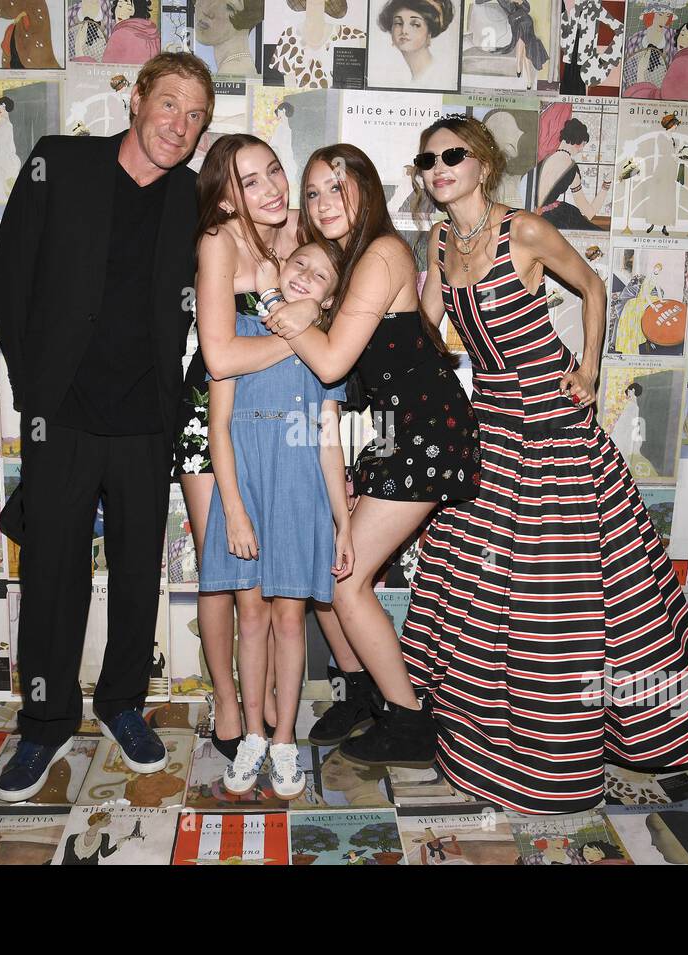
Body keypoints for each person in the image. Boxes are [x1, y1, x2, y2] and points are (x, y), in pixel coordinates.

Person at [396, 115, 688, 813]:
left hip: (550, 425)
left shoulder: (525, 230)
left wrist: (588, 368)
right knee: (484, 587)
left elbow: (595, 288)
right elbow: (426, 319)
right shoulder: (440, 239)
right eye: (428, 160)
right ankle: (482, 739)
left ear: (482, 164)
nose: (439, 168)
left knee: (561, 591)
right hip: (488, 421)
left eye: (452, 154)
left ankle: (569, 744)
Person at [0, 52, 213, 802]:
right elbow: (8, 275)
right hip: (64, 417)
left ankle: (122, 702)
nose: (179, 124)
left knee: (137, 572)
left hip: (148, 420)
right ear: (138, 98)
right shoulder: (60, 164)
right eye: (170, 103)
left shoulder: (194, 198)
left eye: (195, 117)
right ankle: (45, 719)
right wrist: (35, 393)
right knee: (53, 572)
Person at [258, 143, 479, 767]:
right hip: (394, 436)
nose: (324, 203)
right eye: (315, 193)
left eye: (338, 187)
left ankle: (410, 723)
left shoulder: (382, 254)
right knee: (338, 567)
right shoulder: (354, 262)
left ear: (369, 191)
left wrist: (287, 312)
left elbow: (329, 361)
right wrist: (307, 305)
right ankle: (365, 695)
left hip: (425, 436)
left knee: (346, 582)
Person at [200, 237, 349, 800]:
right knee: (252, 618)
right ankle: (254, 734)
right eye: (300, 263)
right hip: (248, 492)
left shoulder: (325, 348)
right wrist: (234, 511)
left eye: (321, 277)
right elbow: (220, 426)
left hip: (299, 493)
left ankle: (285, 737)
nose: (306, 275)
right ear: (279, 266)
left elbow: (330, 440)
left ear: (331, 299)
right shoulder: (234, 331)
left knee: (290, 621)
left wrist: (343, 521)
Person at [181, 134, 304, 760]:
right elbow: (220, 354)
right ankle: (227, 702)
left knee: (279, 577)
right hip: (213, 419)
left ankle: (277, 711)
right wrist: (299, 337)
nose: (271, 187)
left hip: (282, 419)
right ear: (226, 197)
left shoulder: (297, 234)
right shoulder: (218, 241)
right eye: (249, 181)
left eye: (274, 170)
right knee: (222, 574)